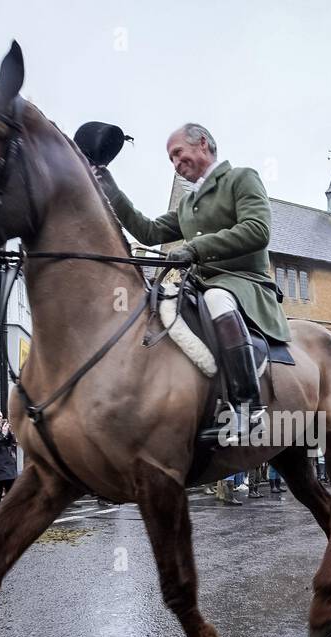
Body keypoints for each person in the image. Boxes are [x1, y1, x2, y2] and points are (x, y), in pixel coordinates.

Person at [93, 122, 288, 443]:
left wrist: (195, 248)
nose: (175, 163)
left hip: (244, 282)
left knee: (216, 300)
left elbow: (257, 229)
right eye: (170, 159)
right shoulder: (187, 205)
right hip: (200, 285)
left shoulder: (241, 178)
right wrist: (111, 189)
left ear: (202, 144)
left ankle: (247, 408)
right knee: (156, 303)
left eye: (178, 153)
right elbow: (150, 232)